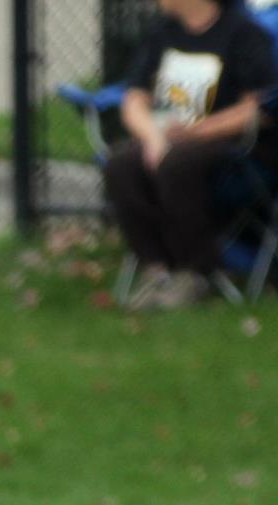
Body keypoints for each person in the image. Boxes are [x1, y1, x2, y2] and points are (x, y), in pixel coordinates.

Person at [103, 0, 278, 309]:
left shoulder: (244, 34)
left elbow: (257, 109)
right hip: (166, 136)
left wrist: (197, 131)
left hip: (230, 145)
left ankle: (195, 272)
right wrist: (153, 138)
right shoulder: (161, 34)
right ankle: (156, 267)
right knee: (120, 164)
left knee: (177, 164)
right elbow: (134, 100)